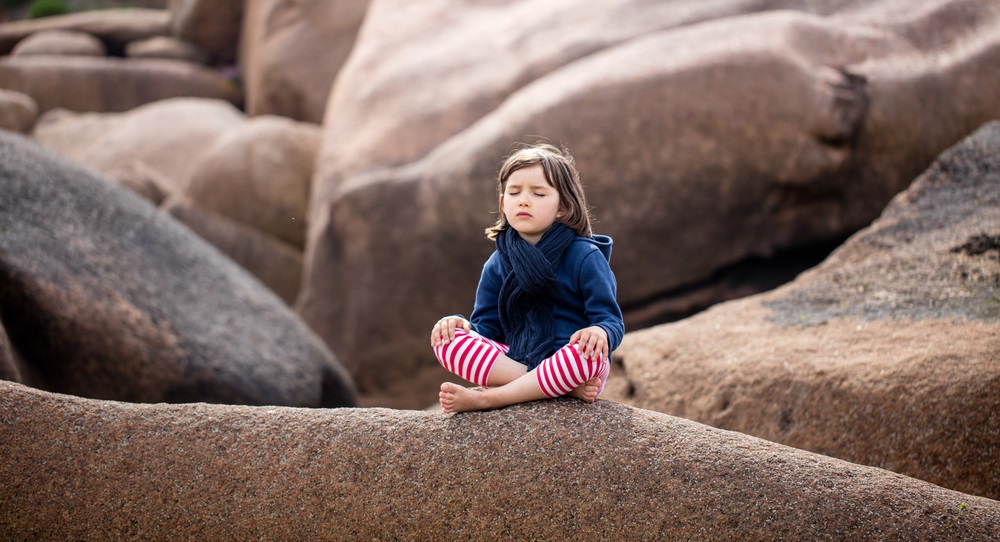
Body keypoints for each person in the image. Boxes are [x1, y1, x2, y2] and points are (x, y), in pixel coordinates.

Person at [430, 142, 624, 413]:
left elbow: (611, 320)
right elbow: (487, 329)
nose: (523, 200)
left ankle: (491, 398)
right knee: (447, 341)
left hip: (570, 360)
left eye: (539, 193)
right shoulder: (497, 263)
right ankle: (556, 387)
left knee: (587, 355)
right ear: (503, 202)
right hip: (520, 357)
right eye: (514, 192)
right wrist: (461, 326)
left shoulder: (585, 255)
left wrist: (599, 331)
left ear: (563, 207)